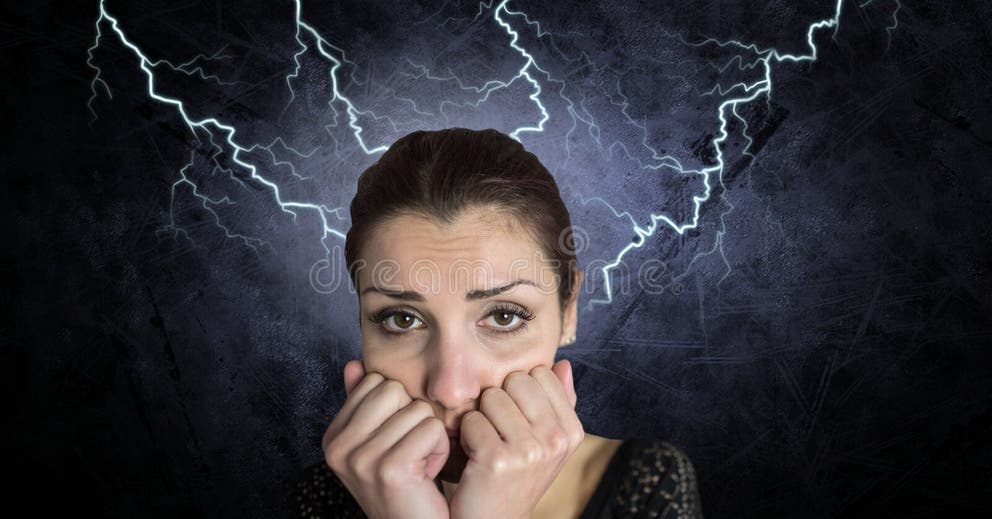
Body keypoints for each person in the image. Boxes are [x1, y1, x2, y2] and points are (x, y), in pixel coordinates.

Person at [289, 128, 703, 518]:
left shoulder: (647, 483)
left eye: (503, 316)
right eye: (401, 319)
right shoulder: (324, 497)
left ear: (568, 310)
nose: (451, 391)